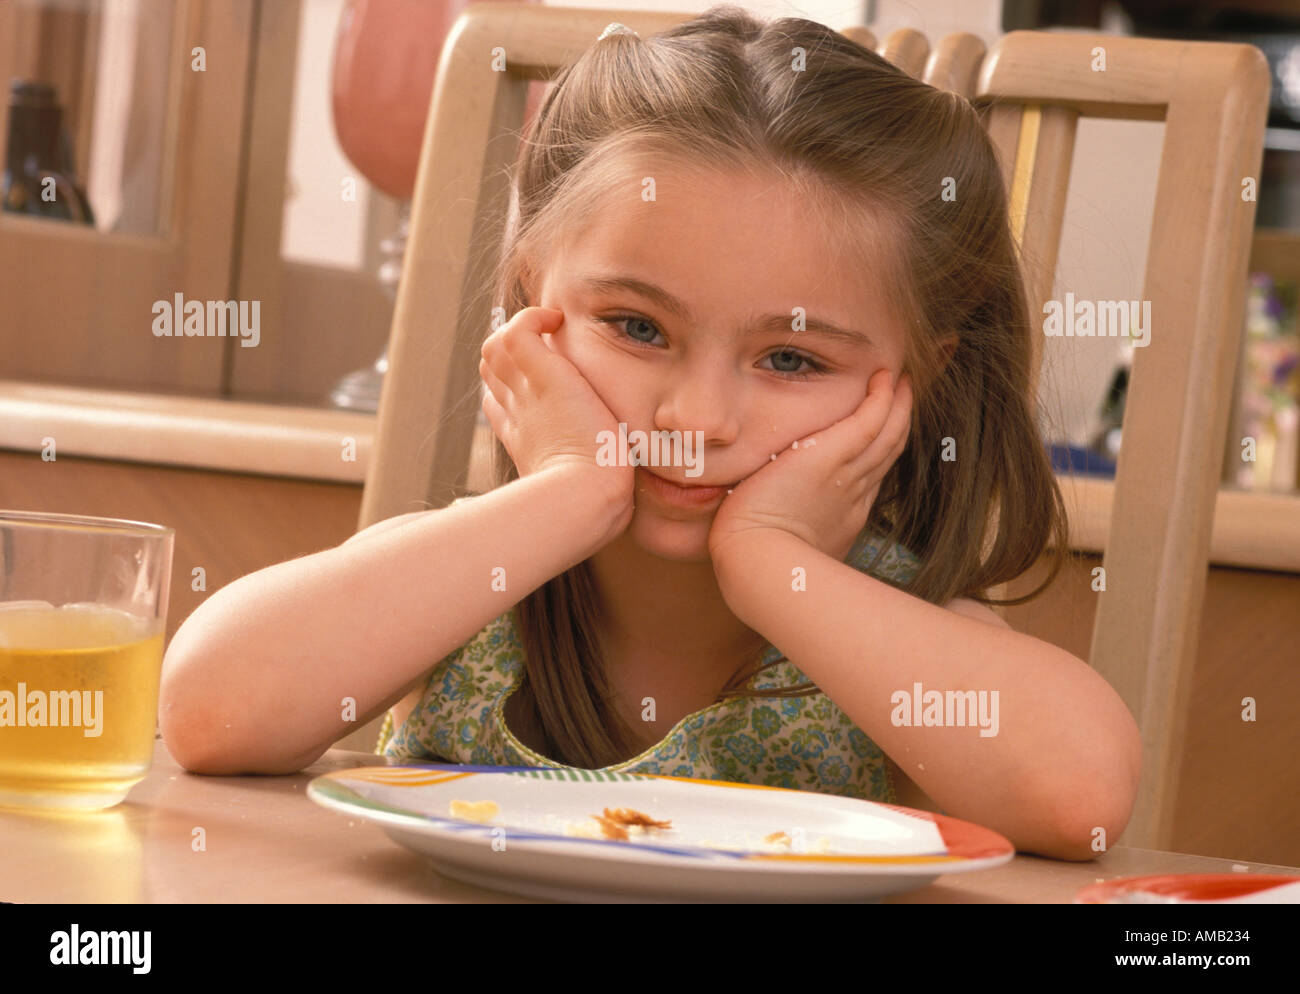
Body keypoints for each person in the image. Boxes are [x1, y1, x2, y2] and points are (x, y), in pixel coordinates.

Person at [160, 6, 1140, 861]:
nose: (694, 420)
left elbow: (1081, 798)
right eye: (636, 328)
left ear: (917, 378)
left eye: (791, 361)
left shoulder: (896, 632)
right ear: (531, 306)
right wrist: (562, 494)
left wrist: (768, 562)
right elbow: (209, 713)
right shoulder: (467, 582)